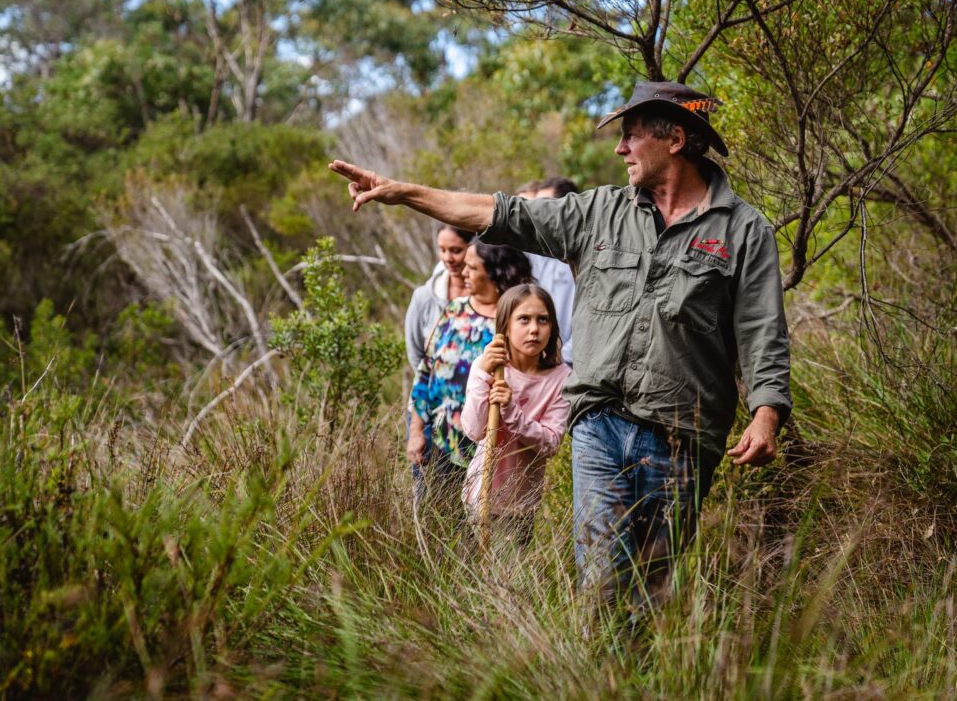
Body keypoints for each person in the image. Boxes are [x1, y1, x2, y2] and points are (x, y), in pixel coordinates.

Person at [331, 80, 790, 614]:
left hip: (684, 432)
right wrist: (401, 191)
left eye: (631, 135)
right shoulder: (598, 212)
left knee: (653, 588)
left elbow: (762, 329)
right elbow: (497, 213)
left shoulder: (744, 230)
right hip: (599, 422)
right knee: (599, 581)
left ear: (676, 140)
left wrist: (765, 416)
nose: (620, 149)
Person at [407, 239, 532, 510]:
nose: (463, 272)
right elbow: (426, 371)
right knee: (437, 529)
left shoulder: (519, 320)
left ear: (495, 272)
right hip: (442, 443)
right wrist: (416, 430)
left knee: (486, 532)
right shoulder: (455, 310)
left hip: (493, 453)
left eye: (472, 267)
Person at [460, 284, 572, 544]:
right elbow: (474, 430)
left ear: (552, 327)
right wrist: (481, 375)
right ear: (505, 327)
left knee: (508, 580)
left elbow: (550, 443)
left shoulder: (561, 378)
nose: (534, 329)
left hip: (520, 506)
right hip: (479, 496)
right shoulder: (490, 367)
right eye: (524, 319)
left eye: (542, 320)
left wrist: (511, 410)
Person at [517, 177, 578, 365]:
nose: (537, 214)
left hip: (571, 366)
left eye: (545, 206)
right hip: (534, 363)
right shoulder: (527, 254)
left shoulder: (583, 255)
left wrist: (562, 358)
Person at [403, 224, 473, 371]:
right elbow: (415, 353)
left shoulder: (490, 297)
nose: (448, 258)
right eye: (442, 250)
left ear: (472, 248)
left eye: (456, 250)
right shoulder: (423, 297)